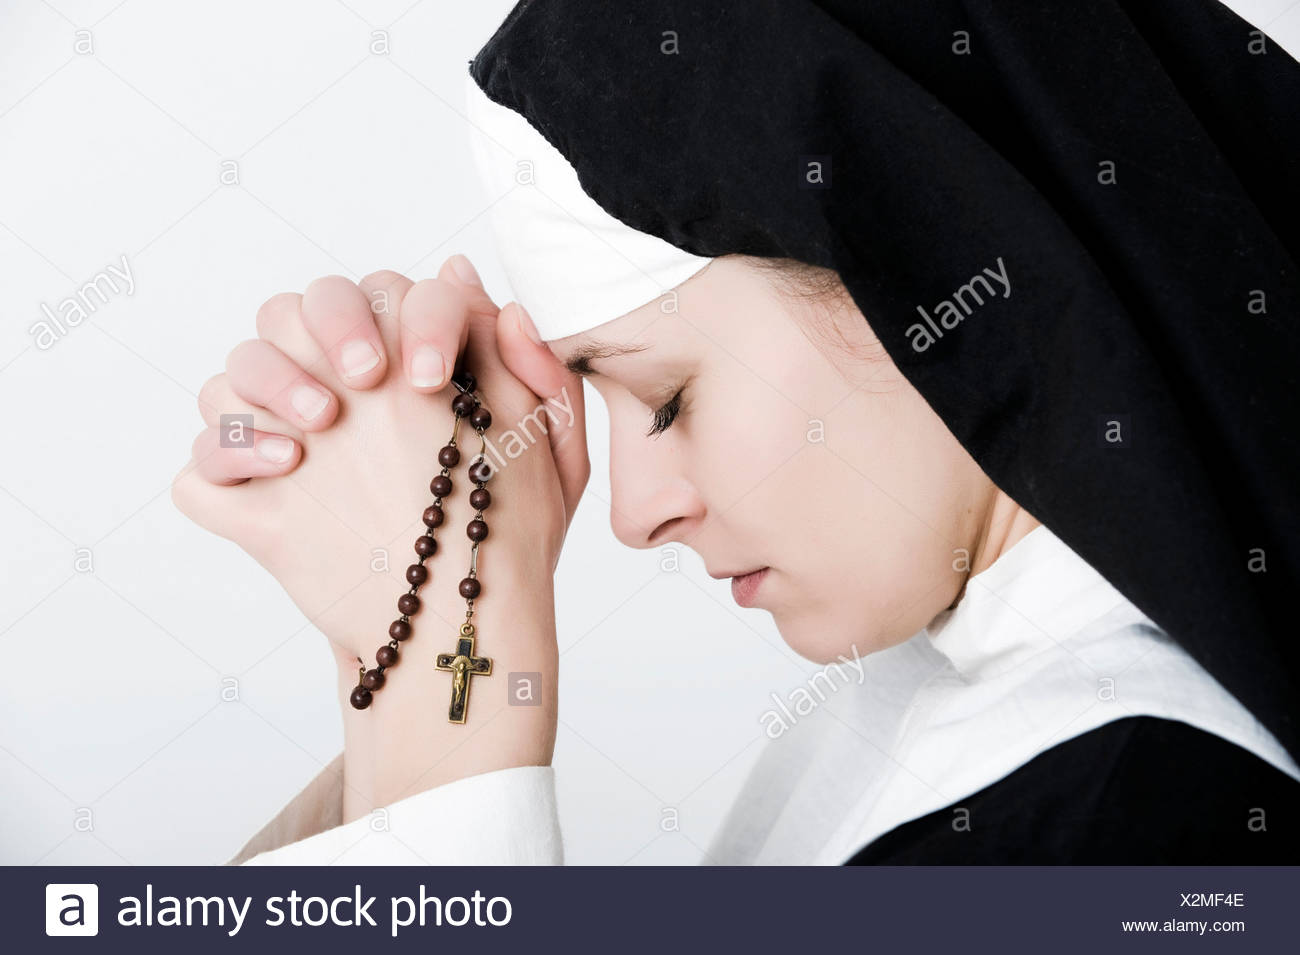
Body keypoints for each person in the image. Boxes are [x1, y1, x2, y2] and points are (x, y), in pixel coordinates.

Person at [172, 0, 1300, 864]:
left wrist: (446, 673)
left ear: (923, 278)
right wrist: (392, 652)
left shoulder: (1139, 820)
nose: (629, 512)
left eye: (665, 398)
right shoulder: (969, 707)